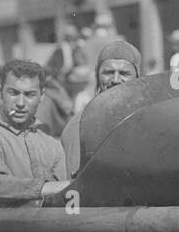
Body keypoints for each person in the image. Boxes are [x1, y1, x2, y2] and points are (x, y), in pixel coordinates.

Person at [0, 60, 69, 206]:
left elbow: (63, 194)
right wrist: (45, 188)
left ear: (42, 96)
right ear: (1, 92)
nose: (20, 103)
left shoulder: (53, 146)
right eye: (13, 93)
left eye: (30, 94)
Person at [60, 41, 141, 176]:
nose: (115, 79)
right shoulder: (80, 125)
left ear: (138, 76)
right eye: (108, 72)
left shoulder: (149, 117)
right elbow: (72, 183)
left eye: (124, 73)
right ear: (97, 76)